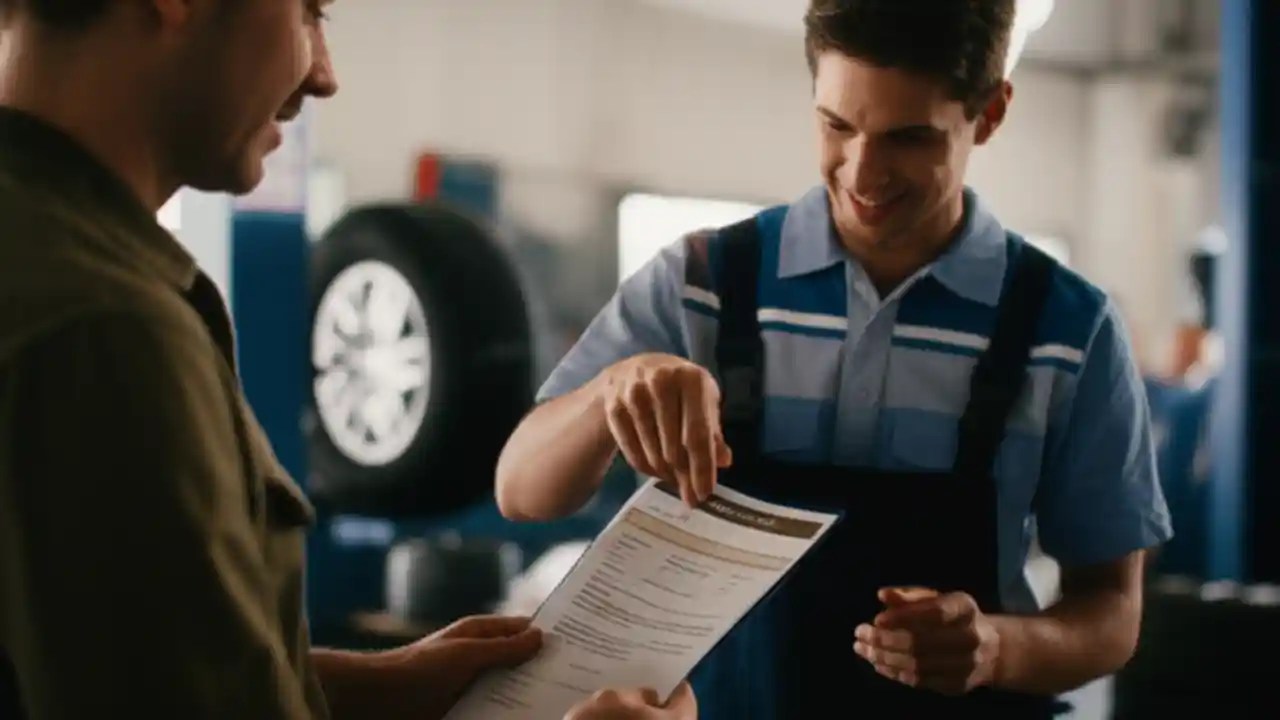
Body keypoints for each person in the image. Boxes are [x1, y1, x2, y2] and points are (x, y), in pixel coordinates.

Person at [0, 1, 694, 719]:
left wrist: (383, 688)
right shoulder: (102, 328)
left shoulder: (49, 265)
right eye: (306, 12)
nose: (322, 75)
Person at [496, 0, 1173, 717]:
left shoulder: (1069, 329)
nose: (863, 172)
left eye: (909, 138)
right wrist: (611, 390)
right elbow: (523, 491)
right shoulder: (700, 285)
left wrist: (997, 648)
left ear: (991, 112)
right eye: (837, 126)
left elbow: (1111, 612)